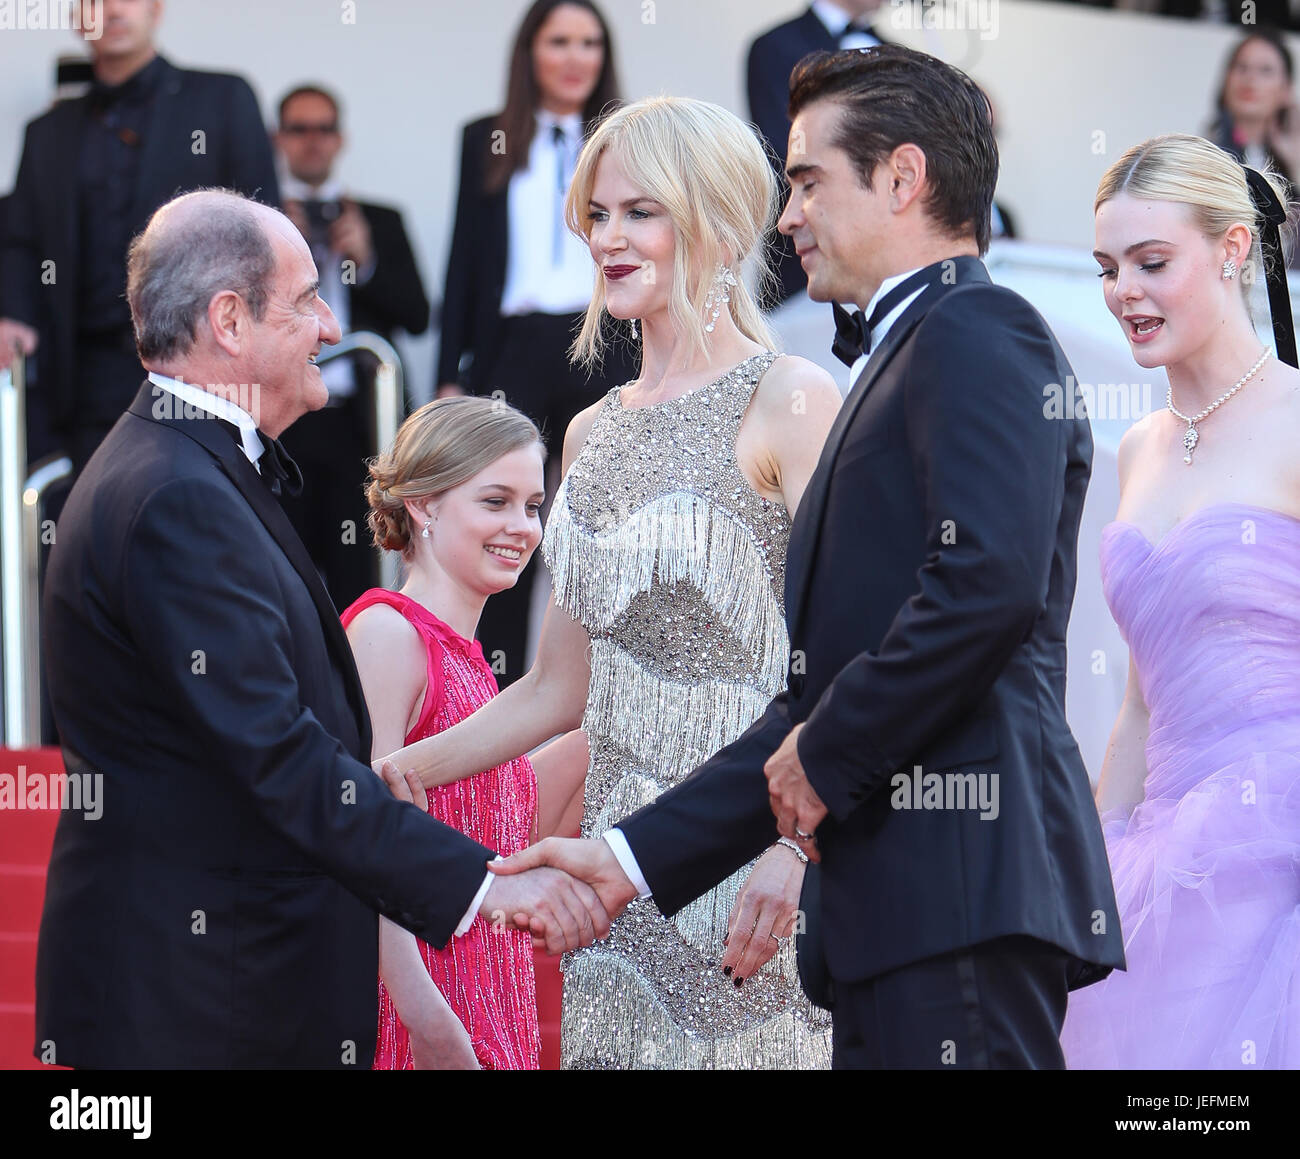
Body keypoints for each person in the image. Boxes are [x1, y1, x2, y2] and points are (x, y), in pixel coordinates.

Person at [490, 46, 1125, 1070]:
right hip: (886, 916)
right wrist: (624, 859)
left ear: (902, 179)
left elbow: (984, 589)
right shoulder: (897, 360)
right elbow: (820, 694)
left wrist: (812, 772)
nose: (786, 216)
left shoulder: (979, 330)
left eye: (806, 180)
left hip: (958, 893)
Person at [33, 189, 608, 1069]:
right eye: (306, 301)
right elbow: (280, 758)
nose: (332, 328)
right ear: (230, 320)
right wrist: (481, 886)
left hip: (213, 991)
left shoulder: (185, 469)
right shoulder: (178, 492)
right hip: (196, 1005)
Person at [382, 96, 843, 1069]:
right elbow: (557, 690)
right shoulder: (591, 432)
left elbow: (849, 658)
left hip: (753, 876)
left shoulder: (790, 399)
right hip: (615, 891)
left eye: (641, 211)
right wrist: (395, 776)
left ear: (714, 217)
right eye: (597, 213)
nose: (609, 238)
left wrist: (795, 848)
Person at [1062, 134, 1300, 1069]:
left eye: (1153, 262)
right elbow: (1139, 697)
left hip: (1277, 845)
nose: (1125, 290)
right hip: (1159, 853)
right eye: (1108, 268)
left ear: (1235, 250)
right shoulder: (1139, 449)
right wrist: (1085, 868)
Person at [343, 396, 557, 1070]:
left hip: (496, 995)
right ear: (424, 505)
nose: (521, 527)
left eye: (532, 504)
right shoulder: (386, 632)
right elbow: (362, 837)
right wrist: (421, 1012)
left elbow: (507, 831)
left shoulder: (481, 671)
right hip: (428, 1012)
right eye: (495, 501)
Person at [436, 0, 636, 687]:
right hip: (513, 350)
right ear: (531, 53)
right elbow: (463, 259)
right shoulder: (486, 137)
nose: (576, 56)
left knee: (603, 526)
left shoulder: (628, 143)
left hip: (605, 345)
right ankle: (486, 698)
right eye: (560, 41)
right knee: (506, 523)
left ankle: (606, 689)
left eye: (590, 42)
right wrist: (448, 376)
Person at [0, 0, 280, 472]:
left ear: (156, 8)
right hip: (83, 376)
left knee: (199, 516)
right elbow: (20, 241)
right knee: (86, 521)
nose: (108, 10)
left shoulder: (222, 98)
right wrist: (13, 315)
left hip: (202, 364)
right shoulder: (46, 132)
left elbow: (263, 226)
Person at [273, 83, 432, 610]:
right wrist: (278, 248)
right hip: (285, 420)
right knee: (281, 571)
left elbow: (417, 314)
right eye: (299, 129)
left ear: (340, 139)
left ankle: (364, 688)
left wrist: (365, 260)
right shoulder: (261, 223)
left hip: (361, 426)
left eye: (324, 129)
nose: (312, 142)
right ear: (279, 139)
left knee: (360, 573)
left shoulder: (379, 221)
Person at [746, 1, 887, 307]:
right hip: (802, 269)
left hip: (882, 267)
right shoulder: (775, 46)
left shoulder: (892, 51)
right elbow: (784, 154)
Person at [1208, 27, 1300, 186]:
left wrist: (1295, 165)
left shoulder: (1292, 158)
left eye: (1265, 70)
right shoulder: (1204, 153)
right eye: (1242, 67)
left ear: (1287, 90)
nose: (1250, 79)